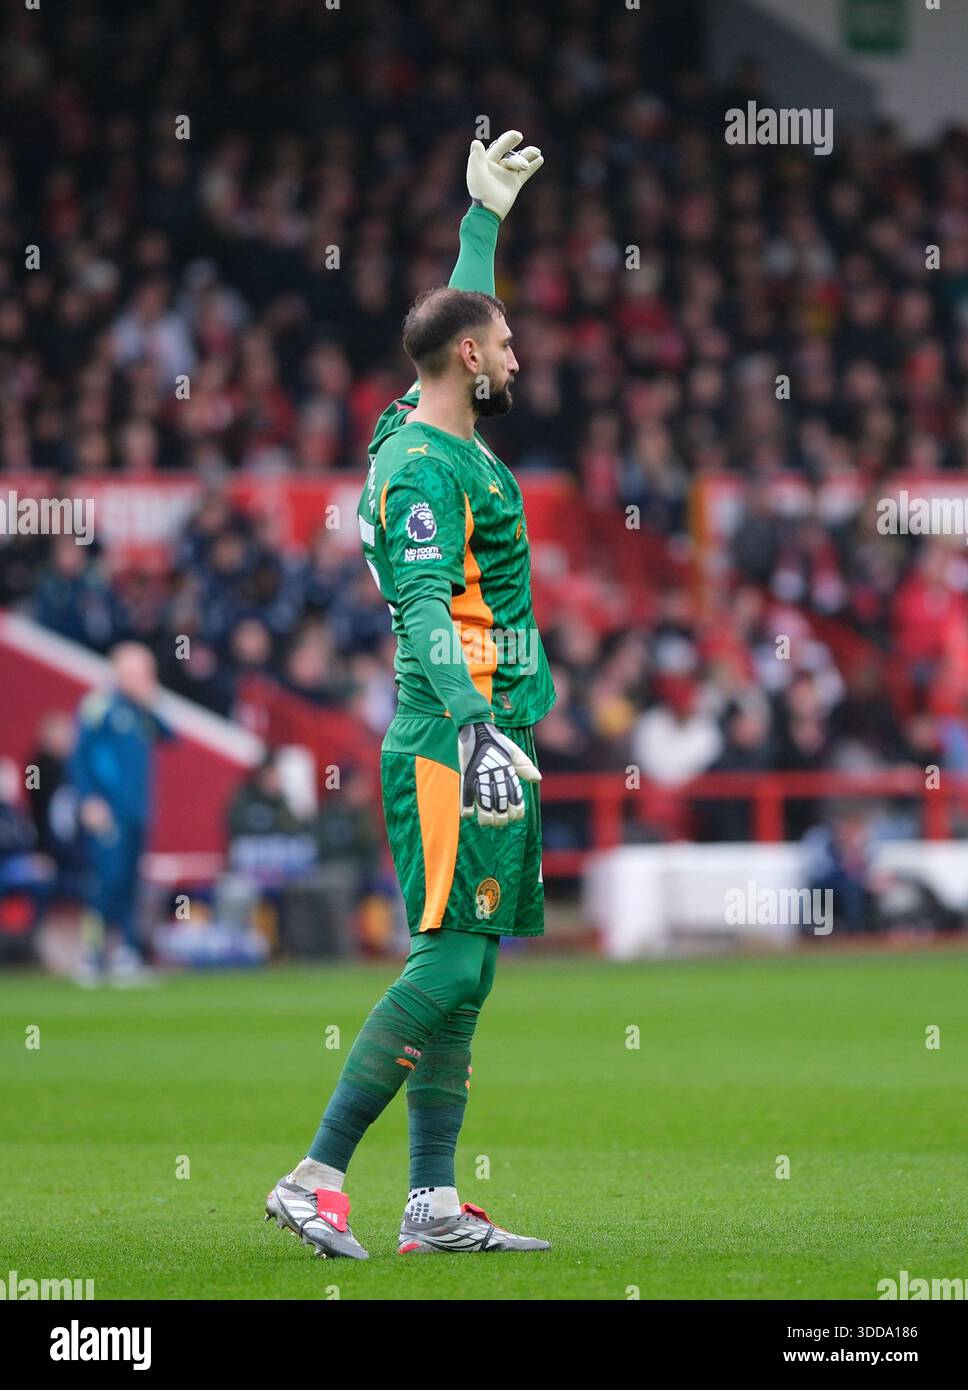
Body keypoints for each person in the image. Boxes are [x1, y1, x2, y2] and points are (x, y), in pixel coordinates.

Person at [266, 132, 556, 1259]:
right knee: (444, 957)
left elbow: (443, 322)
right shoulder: (423, 468)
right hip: (453, 732)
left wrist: (480, 219)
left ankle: (430, 1202)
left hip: (488, 728)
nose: (516, 351)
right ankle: (313, 1173)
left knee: (470, 967)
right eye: (506, 341)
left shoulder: (417, 424)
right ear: (474, 359)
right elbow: (429, 606)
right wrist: (478, 720)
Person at [70, 642, 173, 984]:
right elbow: (80, 757)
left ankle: (127, 952)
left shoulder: (141, 711)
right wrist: (88, 800)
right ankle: (92, 954)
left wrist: (152, 700)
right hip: (107, 812)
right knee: (107, 881)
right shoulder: (99, 706)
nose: (146, 679)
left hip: (136, 812)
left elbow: (172, 736)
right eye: (140, 672)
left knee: (131, 883)